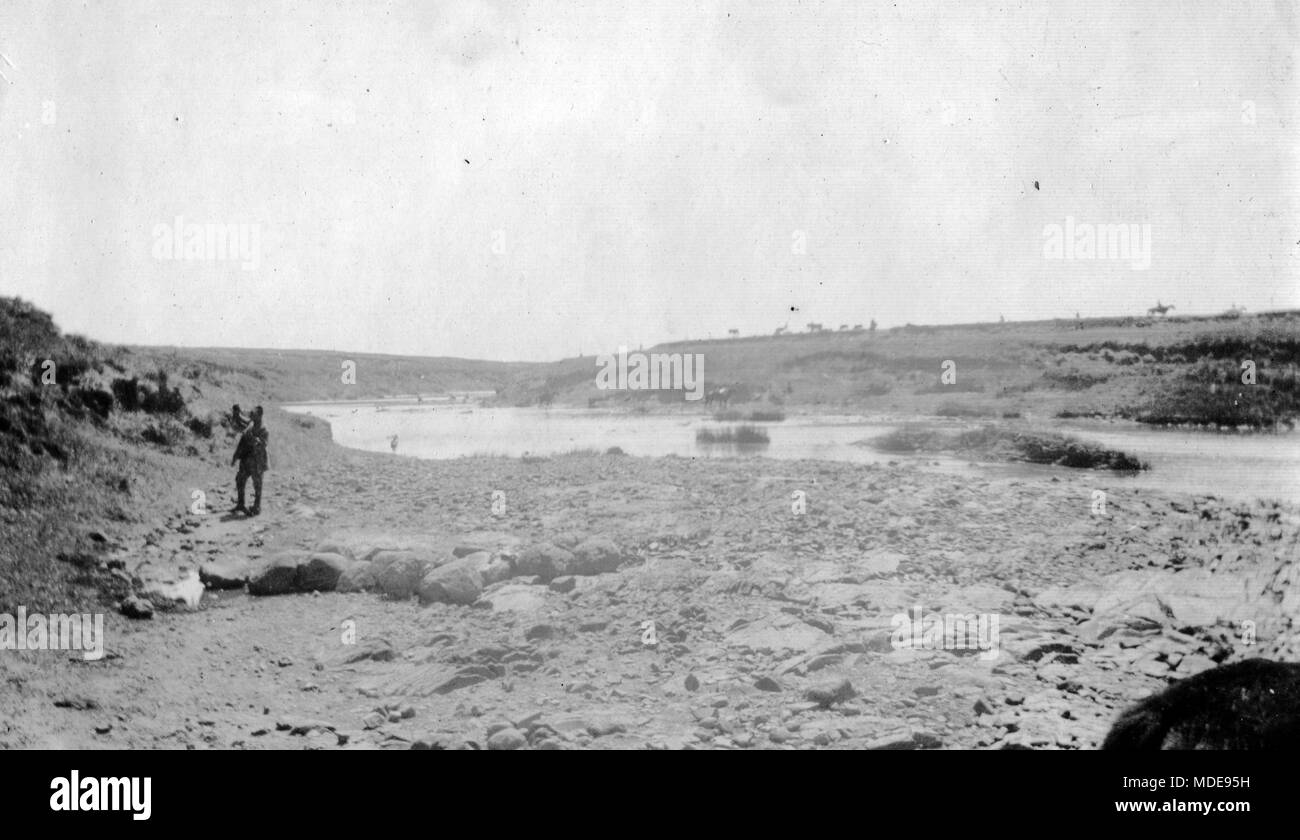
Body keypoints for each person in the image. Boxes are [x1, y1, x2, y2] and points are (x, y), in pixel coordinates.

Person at [231, 406, 269, 516]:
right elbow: (240, 426)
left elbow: (262, 444)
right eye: (251, 414)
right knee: (240, 480)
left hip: (257, 461)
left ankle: (257, 507)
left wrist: (254, 440)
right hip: (246, 459)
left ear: (260, 415)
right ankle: (240, 504)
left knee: (257, 485)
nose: (251, 416)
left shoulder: (264, 429)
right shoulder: (250, 425)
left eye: (254, 414)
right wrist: (237, 413)